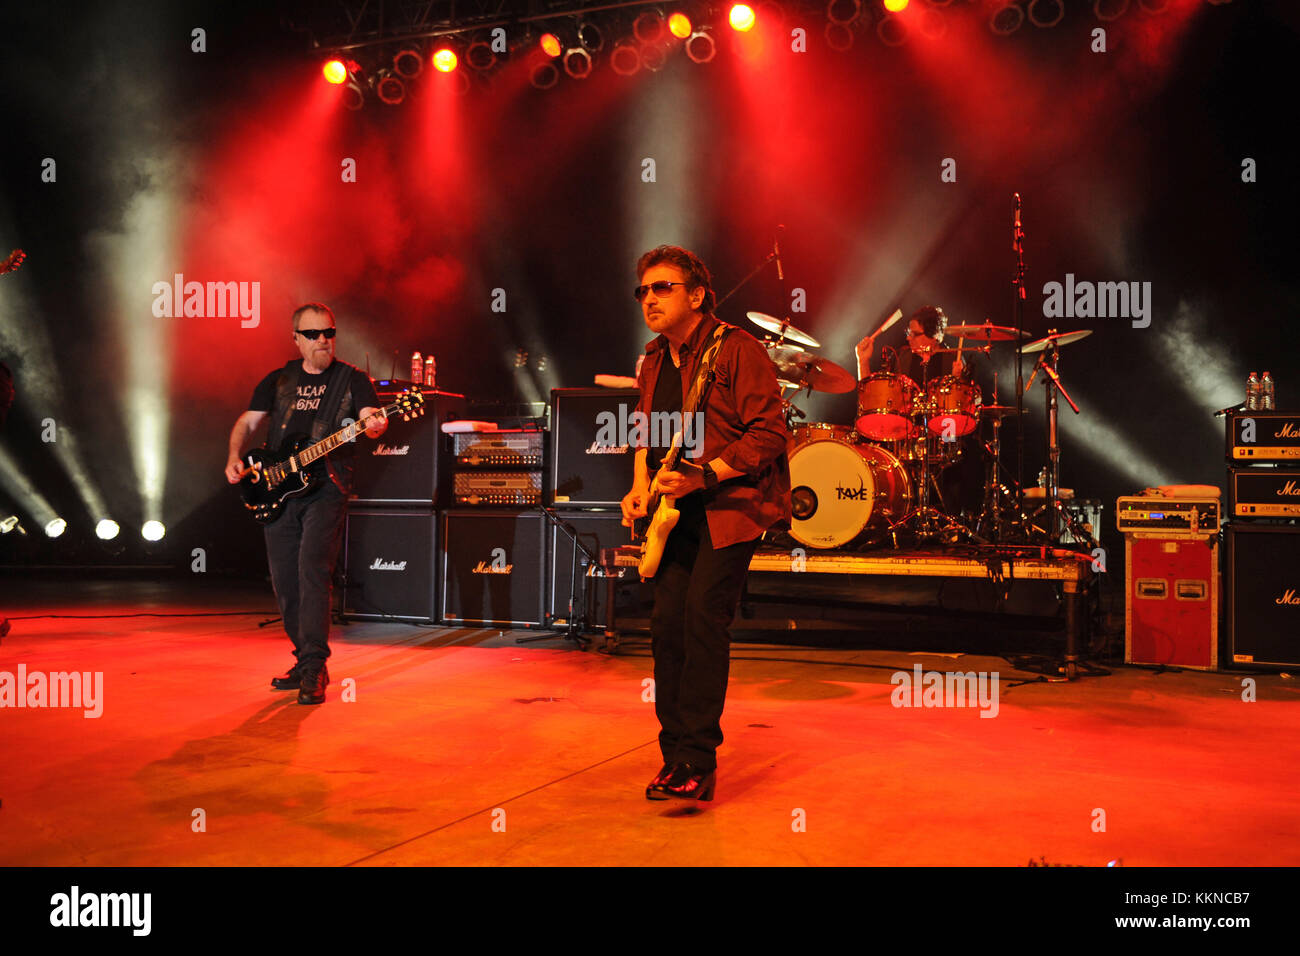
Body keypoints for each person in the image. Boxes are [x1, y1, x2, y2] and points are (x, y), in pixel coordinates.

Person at [621, 245, 790, 802]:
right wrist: (638, 488)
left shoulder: (736, 350)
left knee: (700, 622)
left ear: (696, 295)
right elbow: (648, 436)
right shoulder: (652, 360)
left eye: (662, 287)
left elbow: (768, 434)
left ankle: (697, 759)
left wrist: (704, 477)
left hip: (729, 509)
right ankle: (673, 759)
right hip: (673, 516)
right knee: (666, 629)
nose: (649, 298)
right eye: (643, 290)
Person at [224, 303, 386, 705]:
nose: (323, 341)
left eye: (328, 333)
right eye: (312, 335)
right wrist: (233, 456)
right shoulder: (279, 380)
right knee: (284, 579)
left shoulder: (352, 380)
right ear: (296, 338)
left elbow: (370, 418)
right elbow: (248, 422)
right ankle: (303, 656)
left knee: (312, 568)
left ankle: (315, 665)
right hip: (278, 488)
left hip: (327, 487)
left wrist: (376, 423)